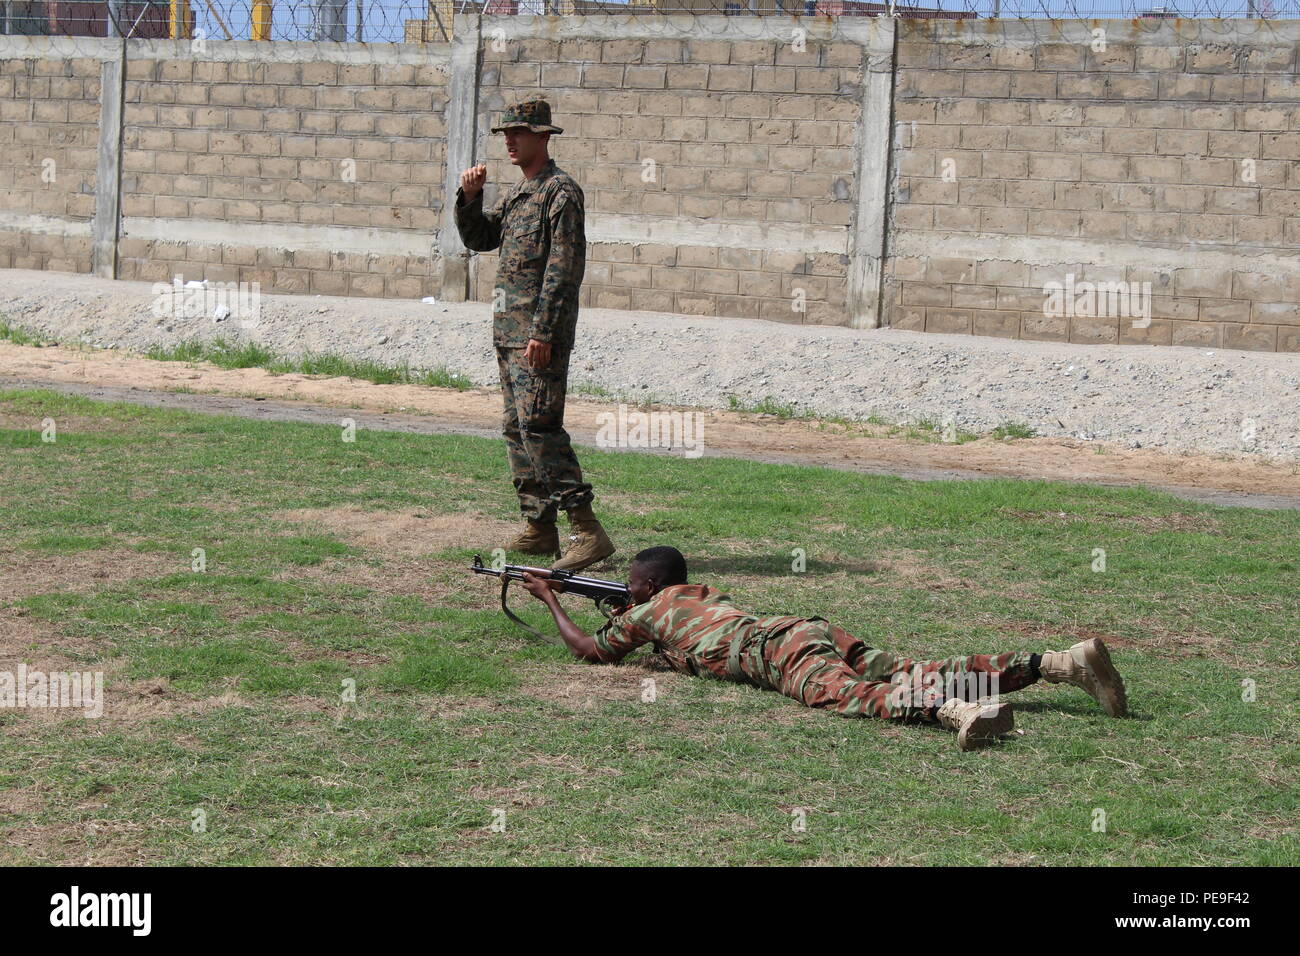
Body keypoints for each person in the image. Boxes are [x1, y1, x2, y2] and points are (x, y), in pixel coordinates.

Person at [518, 546, 1128, 751]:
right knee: (914, 665)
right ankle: (1056, 662)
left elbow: (589, 653)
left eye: (631, 587)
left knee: (853, 696)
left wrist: (549, 596)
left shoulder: (650, 608)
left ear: (647, 588)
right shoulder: (701, 594)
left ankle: (953, 710)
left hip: (776, 654)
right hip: (804, 628)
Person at [455, 98, 615, 572]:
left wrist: (544, 331)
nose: (509, 139)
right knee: (516, 428)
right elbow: (481, 238)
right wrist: (470, 198)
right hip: (510, 332)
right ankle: (539, 526)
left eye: (519, 131)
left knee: (540, 428)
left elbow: (563, 270)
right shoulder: (521, 191)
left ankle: (587, 530)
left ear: (543, 136)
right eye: (506, 132)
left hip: (538, 334)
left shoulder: (560, 192)